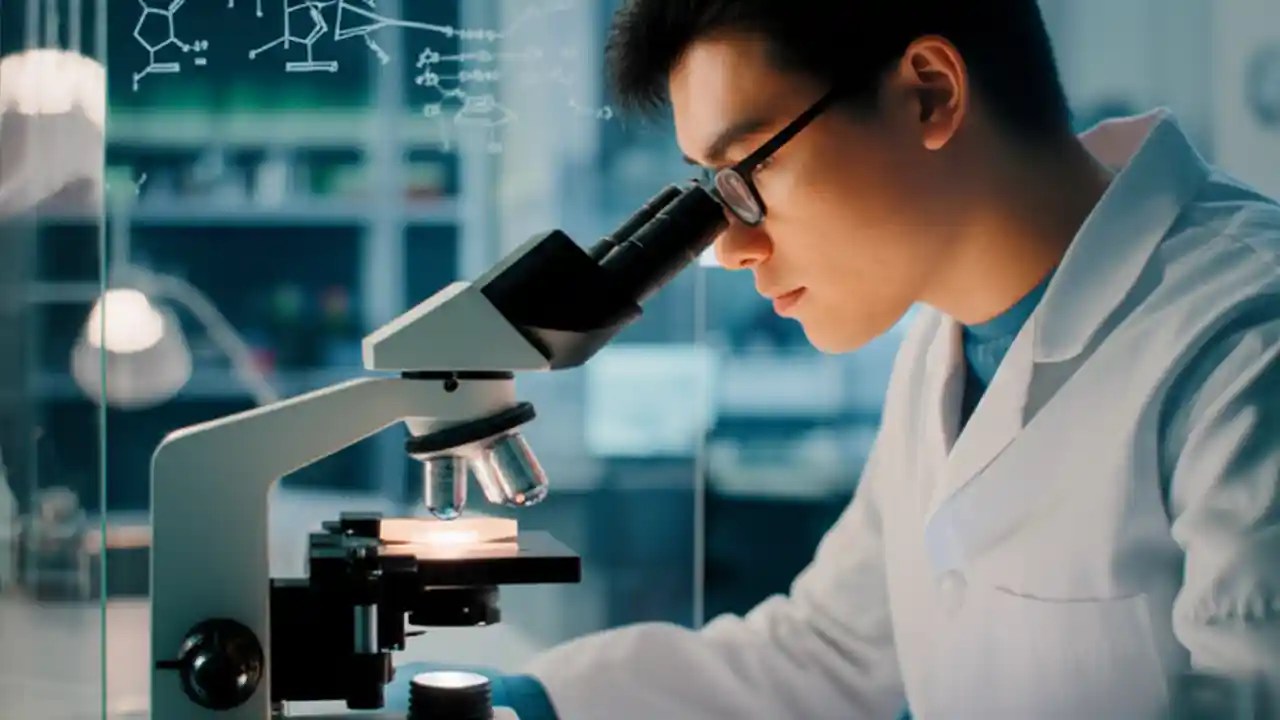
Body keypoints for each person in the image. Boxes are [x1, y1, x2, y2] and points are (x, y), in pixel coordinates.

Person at [414, 1, 1280, 717]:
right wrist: (525, 704)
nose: (733, 247)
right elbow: (833, 652)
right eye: (709, 197)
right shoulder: (945, 337)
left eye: (747, 169)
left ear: (929, 95)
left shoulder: (1245, 343)